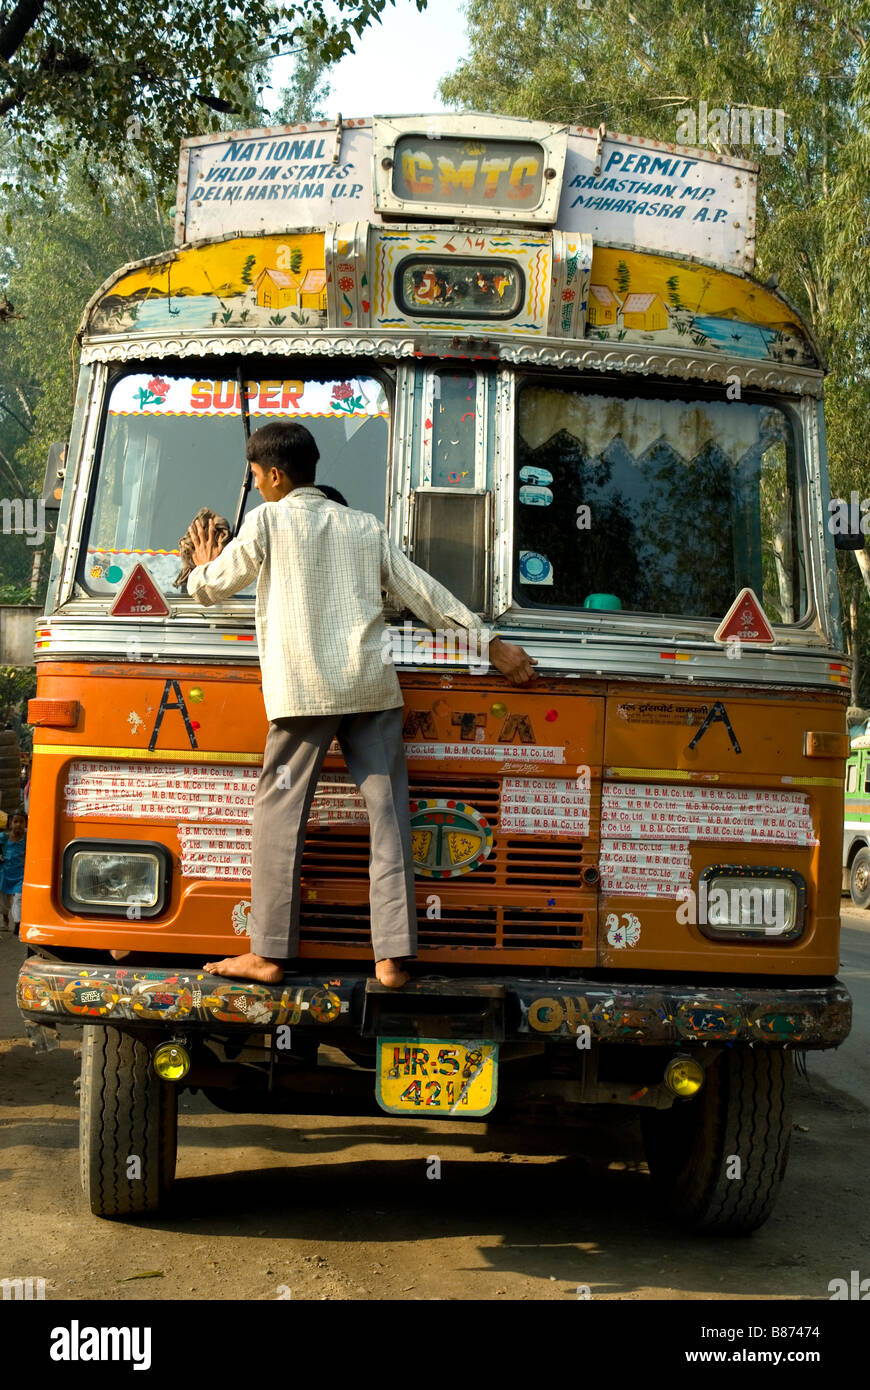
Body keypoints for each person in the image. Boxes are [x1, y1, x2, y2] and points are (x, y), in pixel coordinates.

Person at [185, 421, 536, 988]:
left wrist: (200, 565)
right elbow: (422, 593)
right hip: (371, 688)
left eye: (255, 476)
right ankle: (391, 956)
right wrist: (491, 645)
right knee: (389, 817)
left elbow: (216, 585)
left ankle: (269, 952)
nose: (255, 486)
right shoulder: (364, 525)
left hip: (302, 692)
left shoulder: (268, 519)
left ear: (274, 476)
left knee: (279, 818)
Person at [0, 809, 27, 935]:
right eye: (15, 821)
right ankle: (5, 920)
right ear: (10, 823)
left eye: (21, 822)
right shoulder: (3, 837)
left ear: (25, 824)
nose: (18, 825)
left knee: (18, 899)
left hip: (20, 875)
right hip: (4, 875)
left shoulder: (28, 839)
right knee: (3, 902)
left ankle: (17, 922)